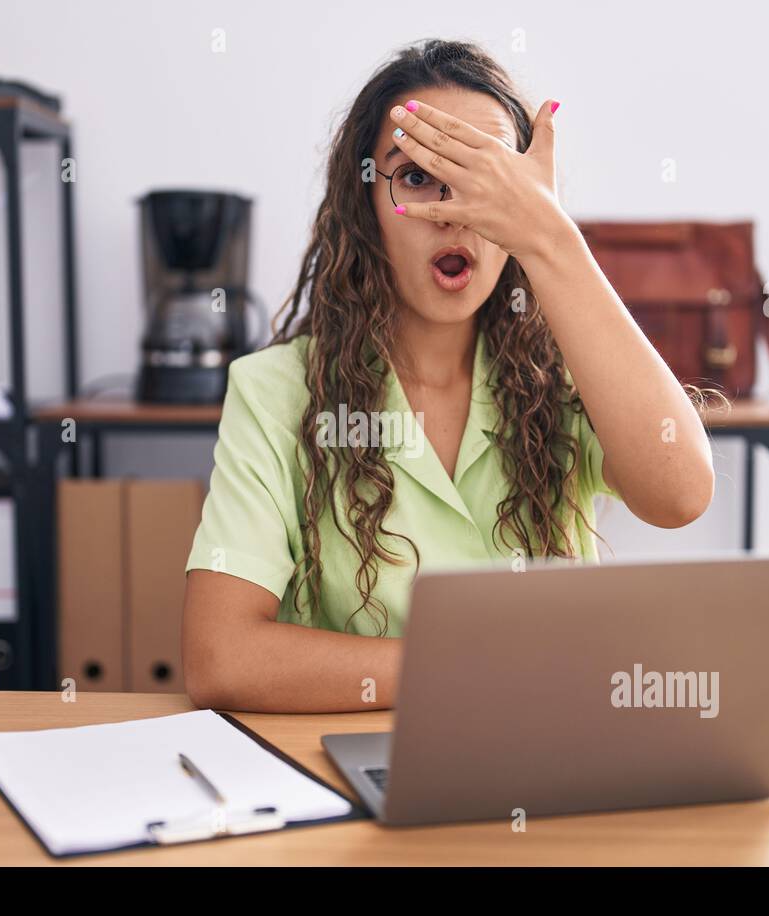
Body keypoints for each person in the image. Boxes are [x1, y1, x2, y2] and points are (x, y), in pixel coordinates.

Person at [182, 40, 715, 713]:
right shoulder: (275, 391)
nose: (452, 211)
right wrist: (474, 669)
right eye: (415, 178)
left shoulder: (565, 377)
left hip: (552, 748)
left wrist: (552, 239)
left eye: (486, 180)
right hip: (357, 762)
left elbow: (680, 494)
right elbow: (221, 658)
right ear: (365, 205)